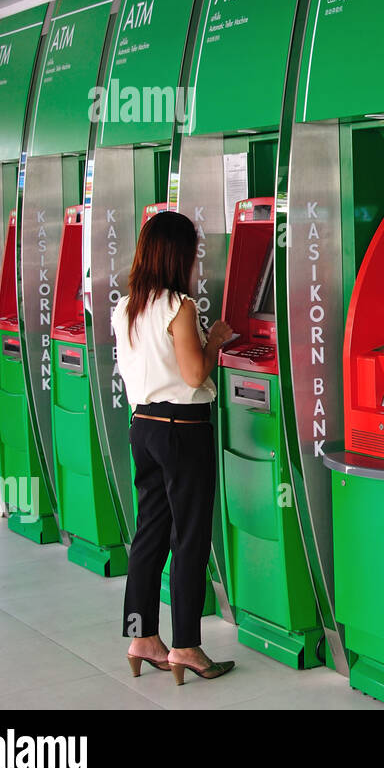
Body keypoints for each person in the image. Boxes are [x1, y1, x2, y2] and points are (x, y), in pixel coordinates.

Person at [114, 210, 236, 685]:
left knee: (149, 534)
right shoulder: (178, 307)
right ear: (177, 256)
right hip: (182, 430)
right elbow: (194, 374)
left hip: (143, 426)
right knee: (189, 538)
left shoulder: (127, 306)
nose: (196, 262)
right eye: (193, 253)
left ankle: (140, 636)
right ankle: (186, 646)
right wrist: (217, 341)